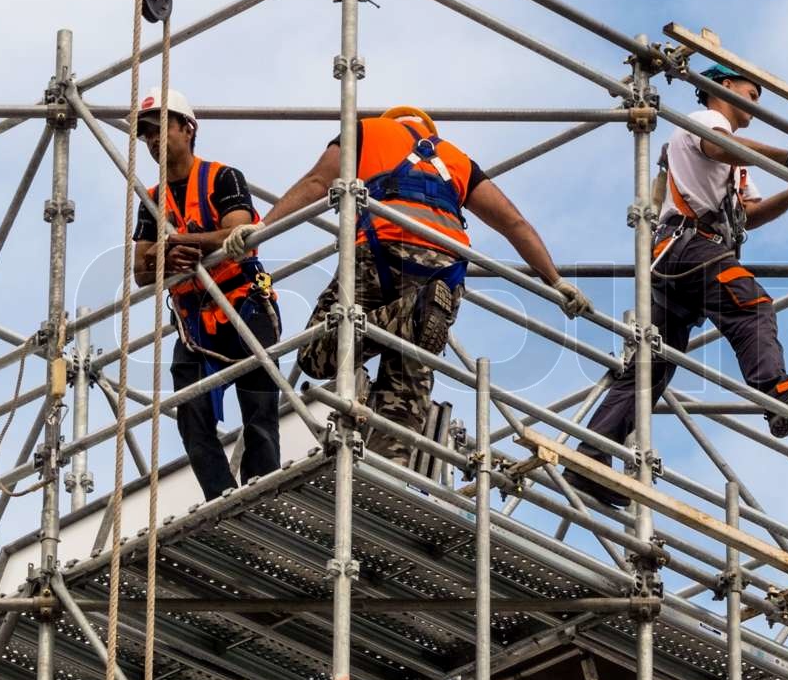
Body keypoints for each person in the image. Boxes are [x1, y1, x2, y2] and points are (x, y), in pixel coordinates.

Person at [564, 62, 788, 508]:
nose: (754, 104)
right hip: (689, 246)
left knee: (651, 366)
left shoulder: (737, 162)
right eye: (750, 94)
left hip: (682, 255)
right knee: (751, 304)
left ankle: (590, 458)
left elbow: (749, 214)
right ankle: (778, 395)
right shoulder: (707, 123)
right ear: (722, 87)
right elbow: (719, 148)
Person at [247, 106, 591, 467]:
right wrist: (555, 280)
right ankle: (388, 474)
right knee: (405, 394)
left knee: (316, 352)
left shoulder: (367, 132)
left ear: (392, 122)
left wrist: (263, 228)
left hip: (382, 251)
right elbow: (514, 222)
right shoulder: (457, 159)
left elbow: (317, 182)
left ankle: (413, 315)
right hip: (445, 271)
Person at [133, 88, 282, 502]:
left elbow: (241, 234)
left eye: (160, 129)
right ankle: (222, 498)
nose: (152, 141)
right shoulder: (151, 200)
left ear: (187, 128)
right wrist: (166, 254)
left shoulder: (222, 177)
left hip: (244, 305)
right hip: (194, 321)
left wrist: (184, 241)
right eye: (145, 134)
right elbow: (141, 272)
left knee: (259, 413)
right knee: (193, 417)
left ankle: (263, 497)